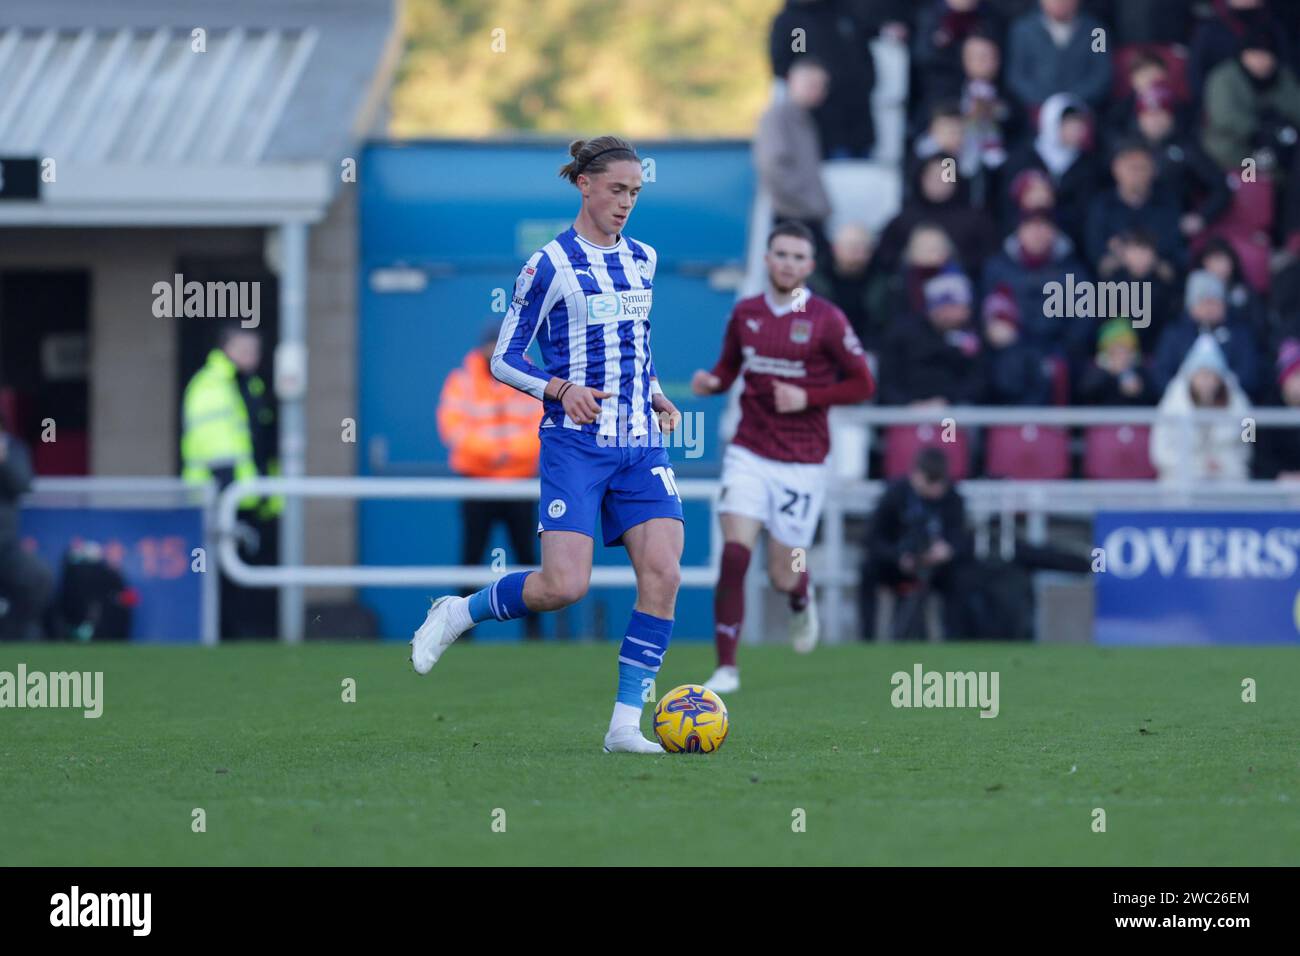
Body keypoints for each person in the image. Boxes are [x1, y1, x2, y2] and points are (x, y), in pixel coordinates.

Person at [409, 136, 685, 756]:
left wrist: (658, 392)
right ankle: (460, 612)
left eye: (635, 193)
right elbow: (504, 360)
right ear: (584, 185)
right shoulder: (550, 265)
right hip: (576, 446)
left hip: (640, 443)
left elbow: (635, 345)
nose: (626, 204)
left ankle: (623, 727)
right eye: (617, 190)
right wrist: (559, 388)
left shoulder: (644, 258)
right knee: (564, 587)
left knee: (664, 573)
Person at [689, 221, 875, 693]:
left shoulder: (826, 318)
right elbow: (730, 367)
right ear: (768, 259)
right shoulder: (746, 313)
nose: (789, 263)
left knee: (782, 574)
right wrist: (712, 383)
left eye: (798, 257)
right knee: (734, 554)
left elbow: (862, 384)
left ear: (810, 266)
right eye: (781, 254)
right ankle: (726, 667)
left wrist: (809, 397)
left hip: (803, 460)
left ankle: (800, 594)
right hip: (749, 450)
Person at [437, 322, 543, 639]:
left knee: (528, 558)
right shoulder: (462, 381)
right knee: (471, 556)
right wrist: (494, 453)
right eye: (491, 344)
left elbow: (542, 426)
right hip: (477, 482)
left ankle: (534, 632)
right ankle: (461, 632)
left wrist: (507, 453)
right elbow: (452, 427)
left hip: (519, 483)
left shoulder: (529, 379)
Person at [181, 322, 280, 639]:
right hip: (221, 500)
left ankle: (245, 635)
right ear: (226, 348)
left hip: (251, 499)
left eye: (255, 349)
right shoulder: (210, 386)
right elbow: (218, 450)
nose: (252, 355)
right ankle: (224, 636)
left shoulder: (250, 386)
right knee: (223, 578)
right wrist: (230, 496)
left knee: (248, 577)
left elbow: (261, 446)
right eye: (245, 348)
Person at [859, 447, 978, 641]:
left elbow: (964, 539)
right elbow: (872, 539)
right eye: (930, 482)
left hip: (937, 567)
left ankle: (956, 640)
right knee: (868, 569)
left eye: (939, 483)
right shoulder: (895, 494)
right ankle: (867, 638)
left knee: (962, 576)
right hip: (898, 565)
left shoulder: (953, 498)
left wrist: (948, 550)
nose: (935, 489)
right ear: (916, 475)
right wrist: (898, 557)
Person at [753, 57, 835, 276]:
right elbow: (773, 166)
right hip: (794, 217)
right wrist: (810, 202)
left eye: (821, 86)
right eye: (811, 84)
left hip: (806, 215)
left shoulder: (805, 118)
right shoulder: (778, 117)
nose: (818, 91)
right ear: (791, 82)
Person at [1150, 333, 1252, 482]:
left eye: (1212, 375)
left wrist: (1224, 463)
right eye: (1201, 375)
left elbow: (1248, 444)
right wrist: (1197, 466)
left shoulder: (1239, 402)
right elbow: (1160, 452)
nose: (1207, 381)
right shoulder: (1171, 404)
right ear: (1191, 376)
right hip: (1182, 477)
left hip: (1227, 477)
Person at [879, 266, 986, 406]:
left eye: (959, 307)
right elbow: (888, 381)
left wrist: (948, 401)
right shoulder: (903, 333)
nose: (951, 314)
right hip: (905, 411)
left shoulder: (974, 334)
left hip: (954, 411)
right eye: (946, 307)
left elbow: (979, 381)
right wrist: (910, 404)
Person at [0, 419, 51, 641]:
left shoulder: (13, 448)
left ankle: (13, 636)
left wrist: (3, 459)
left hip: (5, 547)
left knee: (38, 579)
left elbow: (23, 484)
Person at [1254, 339, 1300, 479]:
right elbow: (1256, 454)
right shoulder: (1265, 410)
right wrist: (1279, 476)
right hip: (1274, 489)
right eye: (1295, 376)